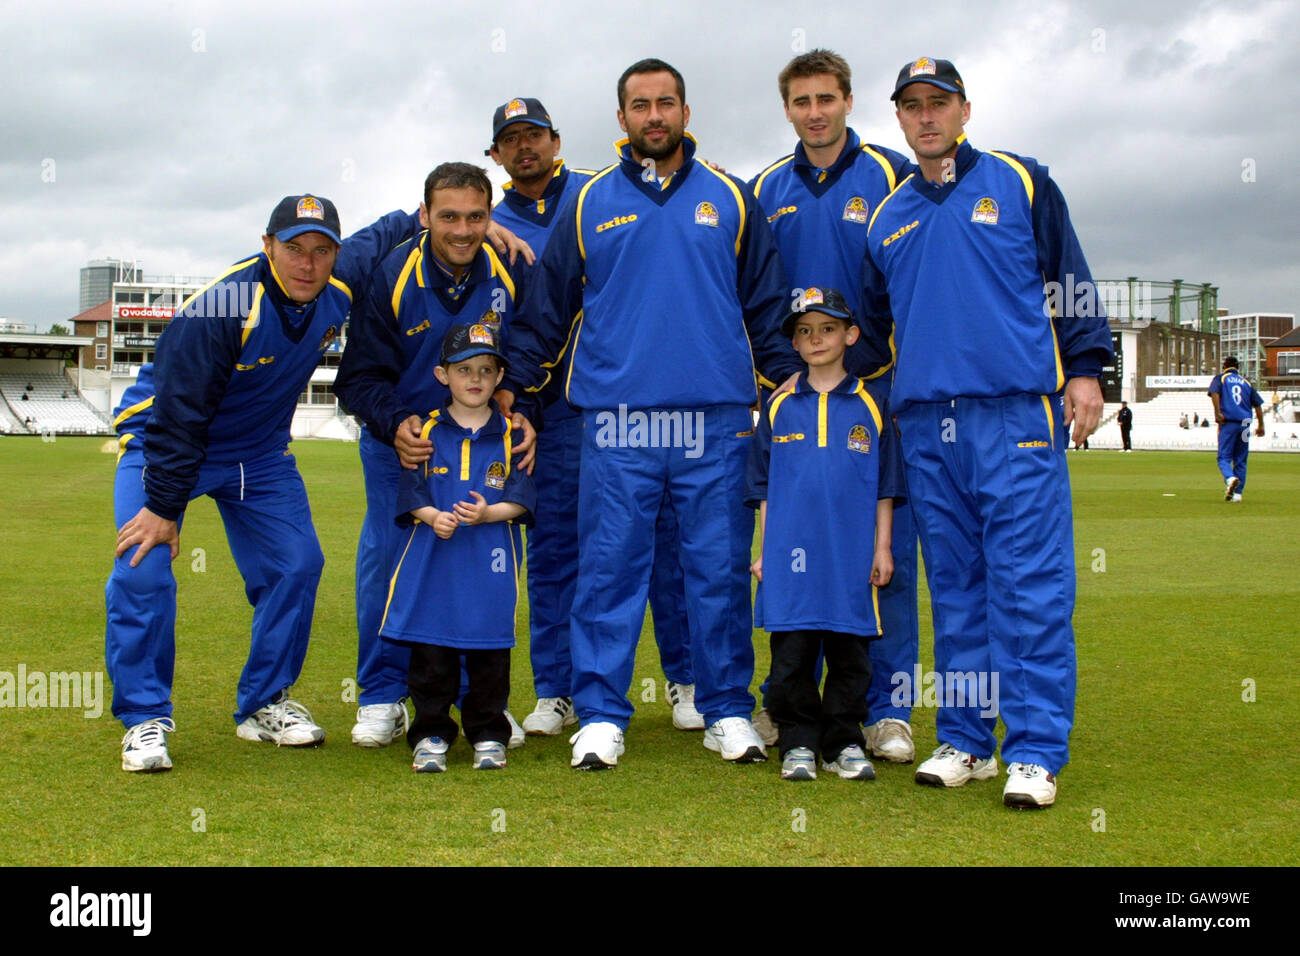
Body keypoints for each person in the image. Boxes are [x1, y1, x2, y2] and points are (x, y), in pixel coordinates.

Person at [497, 58, 802, 769]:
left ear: (686, 114)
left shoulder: (731, 196)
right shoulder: (590, 201)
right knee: (609, 570)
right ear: (622, 119)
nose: (655, 116)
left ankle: (727, 709)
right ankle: (601, 713)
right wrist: (515, 388)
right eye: (641, 105)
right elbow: (547, 314)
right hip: (618, 422)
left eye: (667, 103)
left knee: (717, 572)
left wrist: (787, 389)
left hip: (716, 421)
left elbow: (764, 306)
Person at [859, 58, 1114, 809]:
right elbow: (874, 332)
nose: (926, 117)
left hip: (1014, 416)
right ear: (899, 120)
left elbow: (1070, 279)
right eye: (912, 106)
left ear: (965, 109)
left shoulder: (1021, 181)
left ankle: (1034, 751)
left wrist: (1087, 366)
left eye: (939, 103)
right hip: (927, 426)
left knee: (1028, 586)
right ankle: (967, 739)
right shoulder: (888, 218)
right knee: (959, 589)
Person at [108, 194, 421, 772]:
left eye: (321, 250)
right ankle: (144, 718)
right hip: (167, 445)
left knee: (297, 564)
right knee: (143, 567)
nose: (308, 263)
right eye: (293, 248)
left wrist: (433, 216)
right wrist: (163, 507)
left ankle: (264, 703)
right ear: (267, 246)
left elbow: (382, 233)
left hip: (257, 456)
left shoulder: (339, 283)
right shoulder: (221, 309)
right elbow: (181, 415)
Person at [485, 97, 702, 736]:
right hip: (546, 416)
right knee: (556, 552)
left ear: (557, 140)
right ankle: (558, 689)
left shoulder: (600, 193)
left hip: (626, 402)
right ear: (495, 154)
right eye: (511, 140)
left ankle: (685, 680)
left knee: (664, 547)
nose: (525, 148)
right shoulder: (484, 222)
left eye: (535, 136)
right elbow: (434, 233)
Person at [749, 48, 919, 763]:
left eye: (826, 98)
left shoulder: (891, 176)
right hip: (791, 392)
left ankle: (883, 711)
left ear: (849, 101)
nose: (814, 112)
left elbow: (917, 278)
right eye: (801, 101)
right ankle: (786, 708)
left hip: (875, 387)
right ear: (787, 108)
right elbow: (753, 295)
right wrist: (775, 379)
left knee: (882, 556)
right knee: (792, 549)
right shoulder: (762, 189)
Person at [334, 163, 534, 749]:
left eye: (476, 216)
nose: (463, 230)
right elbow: (359, 376)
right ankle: (379, 695)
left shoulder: (511, 269)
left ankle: (482, 707)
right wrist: (397, 424)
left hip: (482, 442)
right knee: (391, 563)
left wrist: (517, 399)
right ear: (424, 217)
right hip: (407, 446)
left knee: (483, 567)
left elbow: (531, 346)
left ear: (490, 217)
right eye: (449, 216)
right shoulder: (391, 273)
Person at [746, 287, 904, 782]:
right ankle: (796, 742)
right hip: (791, 559)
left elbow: (885, 487)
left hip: (850, 560)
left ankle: (843, 742)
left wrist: (882, 548)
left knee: (850, 657)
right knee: (791, 656)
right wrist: (766, 552)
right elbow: (764, 490)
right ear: (793, 343)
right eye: (805, 331)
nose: (816, 339)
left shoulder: (871, 406)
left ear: (850, 335)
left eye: (828, 328)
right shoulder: (778, 407)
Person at [381, 324, 535, 772]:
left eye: (486, 370)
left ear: (499, 377)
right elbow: (411, 493)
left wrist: (490, 513)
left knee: (490, 650)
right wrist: (433, 517)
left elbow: (523, 498)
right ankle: (431, 732)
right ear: (441, 374)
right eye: (463, 368)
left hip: (490, 565)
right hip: (434, 561)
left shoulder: (510, 434)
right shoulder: (423, 430)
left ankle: (489, 734)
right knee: (432, 652)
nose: (475, 378)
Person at [1208, 356, 1265, 502]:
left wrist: (1217, 412)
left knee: (1224, 457)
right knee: (1241, 459)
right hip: (1245, 424)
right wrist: (1261, 425)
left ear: (1224, 366)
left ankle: (1230, 478)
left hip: (1229, 422)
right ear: (1237, 368)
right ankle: (1238, 494)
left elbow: (1215, 393)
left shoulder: (1221, 378)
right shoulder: (1246, 382)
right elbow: (1258, 405)